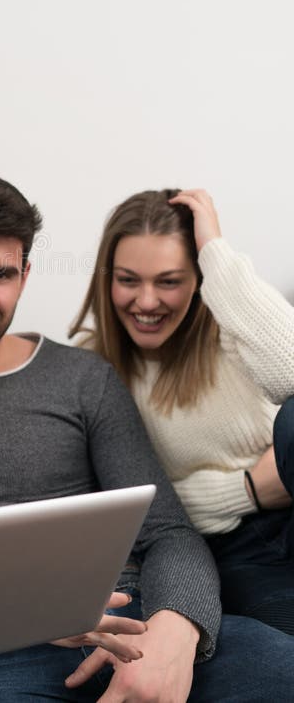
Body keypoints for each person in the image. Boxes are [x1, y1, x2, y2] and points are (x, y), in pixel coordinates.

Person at [0, 174, 294, 703]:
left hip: (129, 613)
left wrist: (177, 626)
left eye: (0, 274)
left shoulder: (82, 377)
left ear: (24, 276)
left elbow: (168, 531)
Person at [70, 187, 294, 636]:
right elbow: (130, 506)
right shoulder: (89, 369)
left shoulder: (230, 326)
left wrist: (214, 249)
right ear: (106, 279)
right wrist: (247, 489)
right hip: (228, 550)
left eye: (169, 281)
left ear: (197, 279)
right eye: (129, 279)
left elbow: (291, 371)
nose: (147, 302)